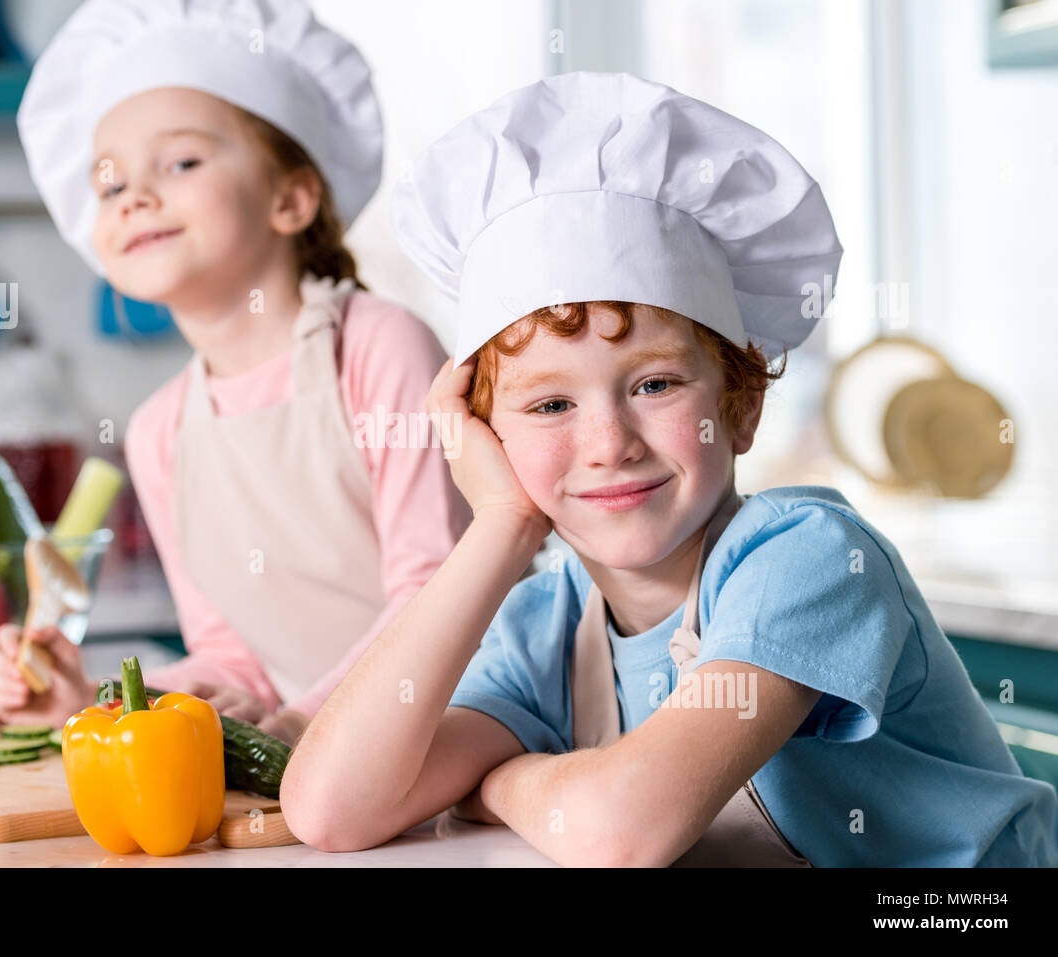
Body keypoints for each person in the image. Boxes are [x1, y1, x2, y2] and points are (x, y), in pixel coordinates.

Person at [280, 71, 1058, 866]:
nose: (609, 442)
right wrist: (501, 526)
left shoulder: (808, 558)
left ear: (744, 403)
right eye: (550, 405)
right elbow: (331, 808)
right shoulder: (547, 624)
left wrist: (503, 779)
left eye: (654, 384)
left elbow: (622, 831)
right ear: (485, 434)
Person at [0, 0, 466, 744]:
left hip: (459, 736)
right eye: (110, 185)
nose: (135, 195)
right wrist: (92, 701)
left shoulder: (379, 347)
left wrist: (298, 723)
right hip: (316, 772)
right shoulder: (159, 430)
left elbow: (438, 591)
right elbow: (229, 661)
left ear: (291, 198)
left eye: (180, 162)